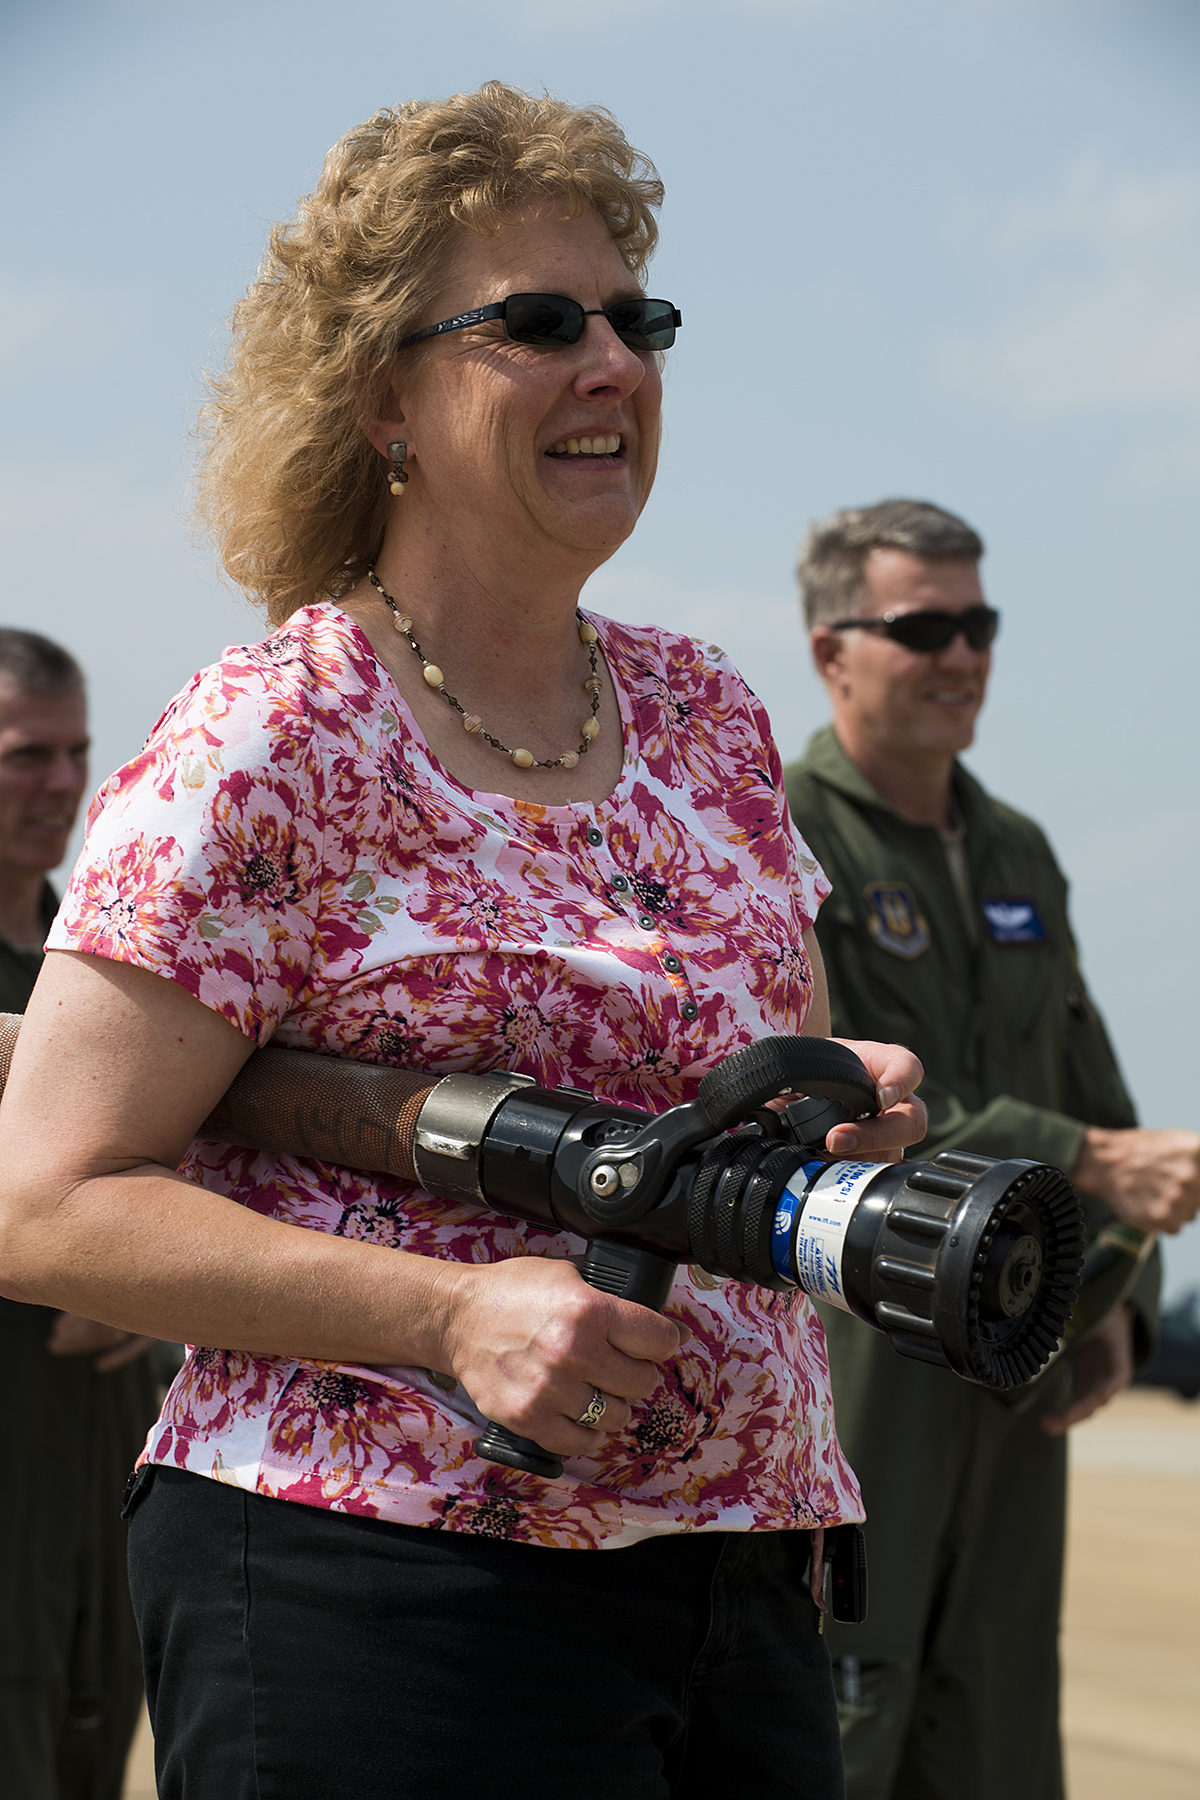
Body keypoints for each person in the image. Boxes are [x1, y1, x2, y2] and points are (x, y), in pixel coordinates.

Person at [0, 89, 927, 1800]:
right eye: (539, 324)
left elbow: (766, 1077)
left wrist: (837, 1114)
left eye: (637, 321)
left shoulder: (708, 714)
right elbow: (44, 1201)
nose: (615, 364)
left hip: (745, 1576)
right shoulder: (275, 736)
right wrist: (444, 1317)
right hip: (385, 1588)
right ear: (382, 402)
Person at [783, 498, 1200, 1800]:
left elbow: (1095, 1079)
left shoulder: (1020, 849)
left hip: (1024, 1353)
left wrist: (1112, 1293)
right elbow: (823, 1088)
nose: (963, 655)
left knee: (999, 1714)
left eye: (980, 623)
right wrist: (1079, 1156)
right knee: (841, 1704)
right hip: (863, 1346)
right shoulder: (781, 830)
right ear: (831, 650)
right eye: (925, 627)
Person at [0, 629, 159, 1800]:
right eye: (21, 756)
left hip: (95, 1456)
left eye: (75, 754)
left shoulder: (95, 978)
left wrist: (134, 1285)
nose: (60, 785)